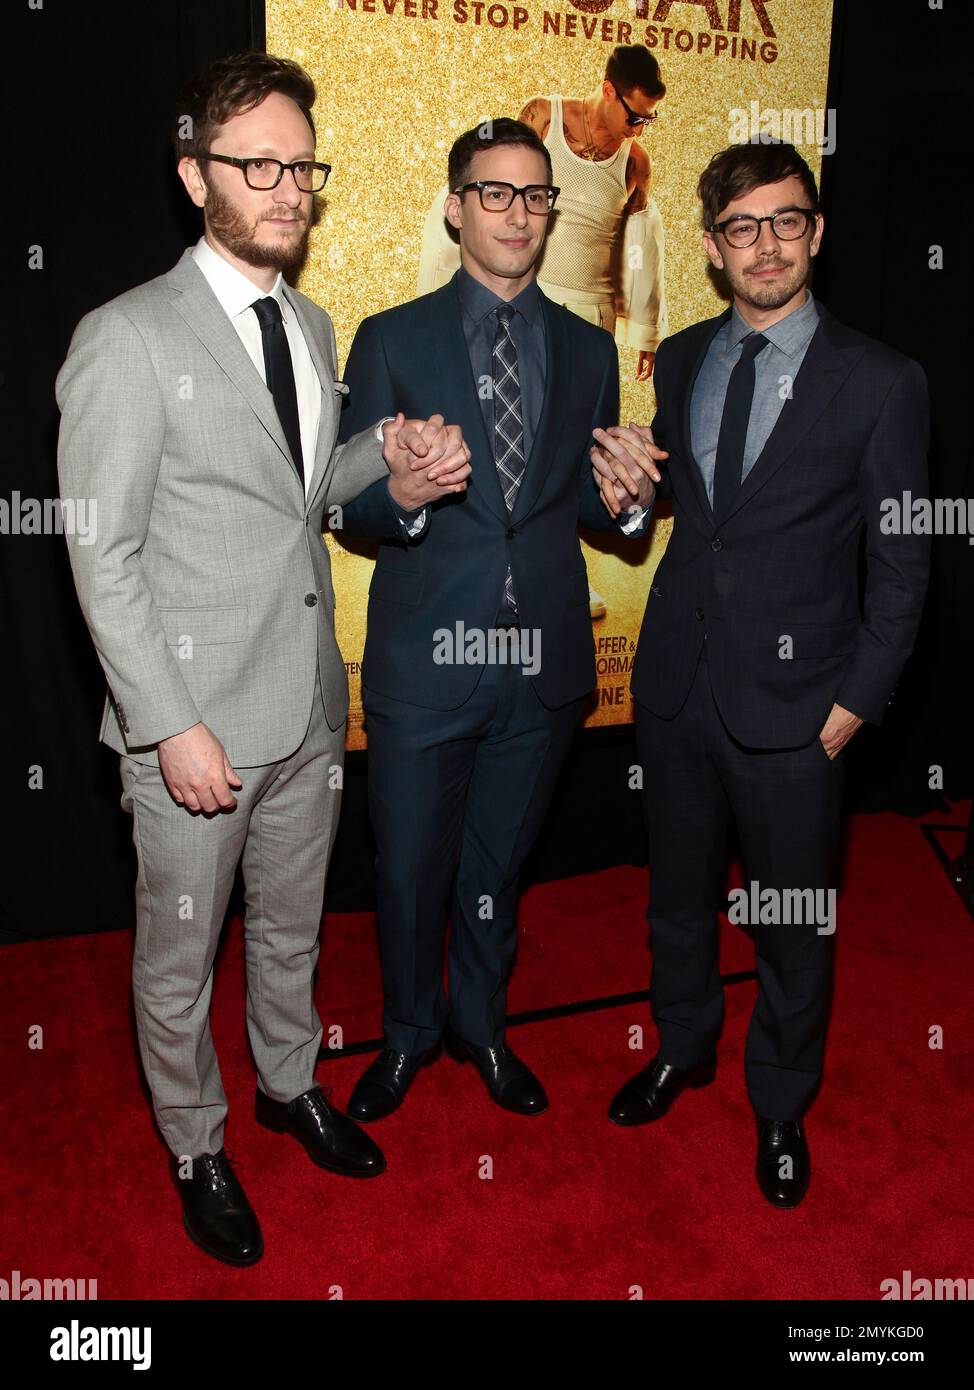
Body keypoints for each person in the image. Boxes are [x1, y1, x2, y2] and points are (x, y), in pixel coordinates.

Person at [55, 50, 470, 1266]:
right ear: (195, 177)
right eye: (258, 166)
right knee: (179, 958)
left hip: (302, 703)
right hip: (191, 723)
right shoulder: (124, 337)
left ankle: (288, 1086)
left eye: (302, 166)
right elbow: (103, 555)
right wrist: (165, 723)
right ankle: (195, 1140)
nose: (288, 189)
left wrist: (388, 464)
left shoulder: (308, 319)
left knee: (291, 931)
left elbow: (305, 498)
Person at [593, 140, 930, 1207]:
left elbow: (903, 555)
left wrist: (854, 704)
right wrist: (625, 496)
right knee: (677, 899)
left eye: (785, 221)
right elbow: (678, 516)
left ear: (815, 232)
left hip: (800, 710)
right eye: (741, 227)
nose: (765, 244)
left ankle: (779, 1102)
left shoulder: (880, 381)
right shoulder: (685, 356)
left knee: (790, 918)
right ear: (710, 247)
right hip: (678, 686)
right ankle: (682, 1046)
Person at [335, 118, 656, 1125]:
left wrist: (632, 499)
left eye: (534, 195)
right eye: (494, 192)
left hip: (544, 667)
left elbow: (583, 505)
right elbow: (349, 508)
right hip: (424, 663)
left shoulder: (587, 346)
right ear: (454, 204)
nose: (516, 213)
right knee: (407, 868)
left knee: (495, 868)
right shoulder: (393, 336)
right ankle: (404, 1034)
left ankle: (479, 1024)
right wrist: (406, 488)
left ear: (550, 211)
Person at [419, 46, 669, 620]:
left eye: (647, 119)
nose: (638, 127)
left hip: (591, 314)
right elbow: (493, 187)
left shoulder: (636, 162)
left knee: (575, 455)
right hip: (525, 295)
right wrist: (435, 291)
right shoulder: (541, 118)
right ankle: (484, 575)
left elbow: (639, 245)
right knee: (496, 438)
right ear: (607, 90)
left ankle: (561, 577)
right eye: (634, 112)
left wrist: (646, 330)